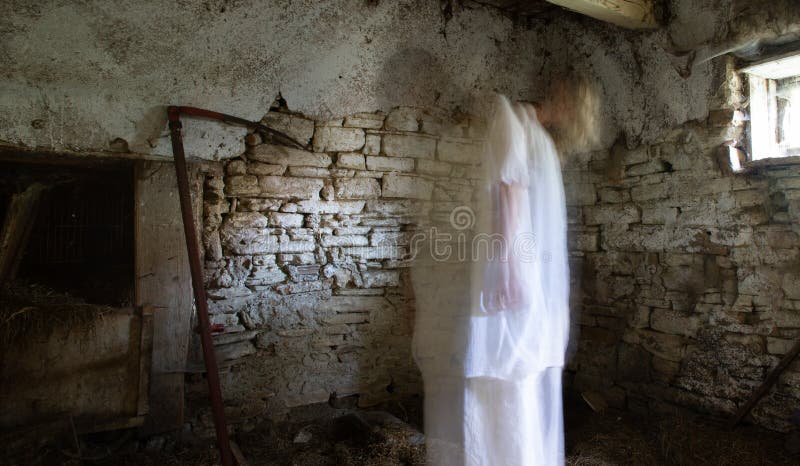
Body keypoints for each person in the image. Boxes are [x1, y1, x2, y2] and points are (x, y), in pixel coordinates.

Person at [411, 73, 600, 466]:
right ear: (560, 94)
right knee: (510, 372)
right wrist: (511, 269)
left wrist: (515, 270)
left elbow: (516, 199)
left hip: (523, 270)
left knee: (514, 373)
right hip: (516, 268)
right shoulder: (514, 122)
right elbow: (507, 196)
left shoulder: (534, 134)